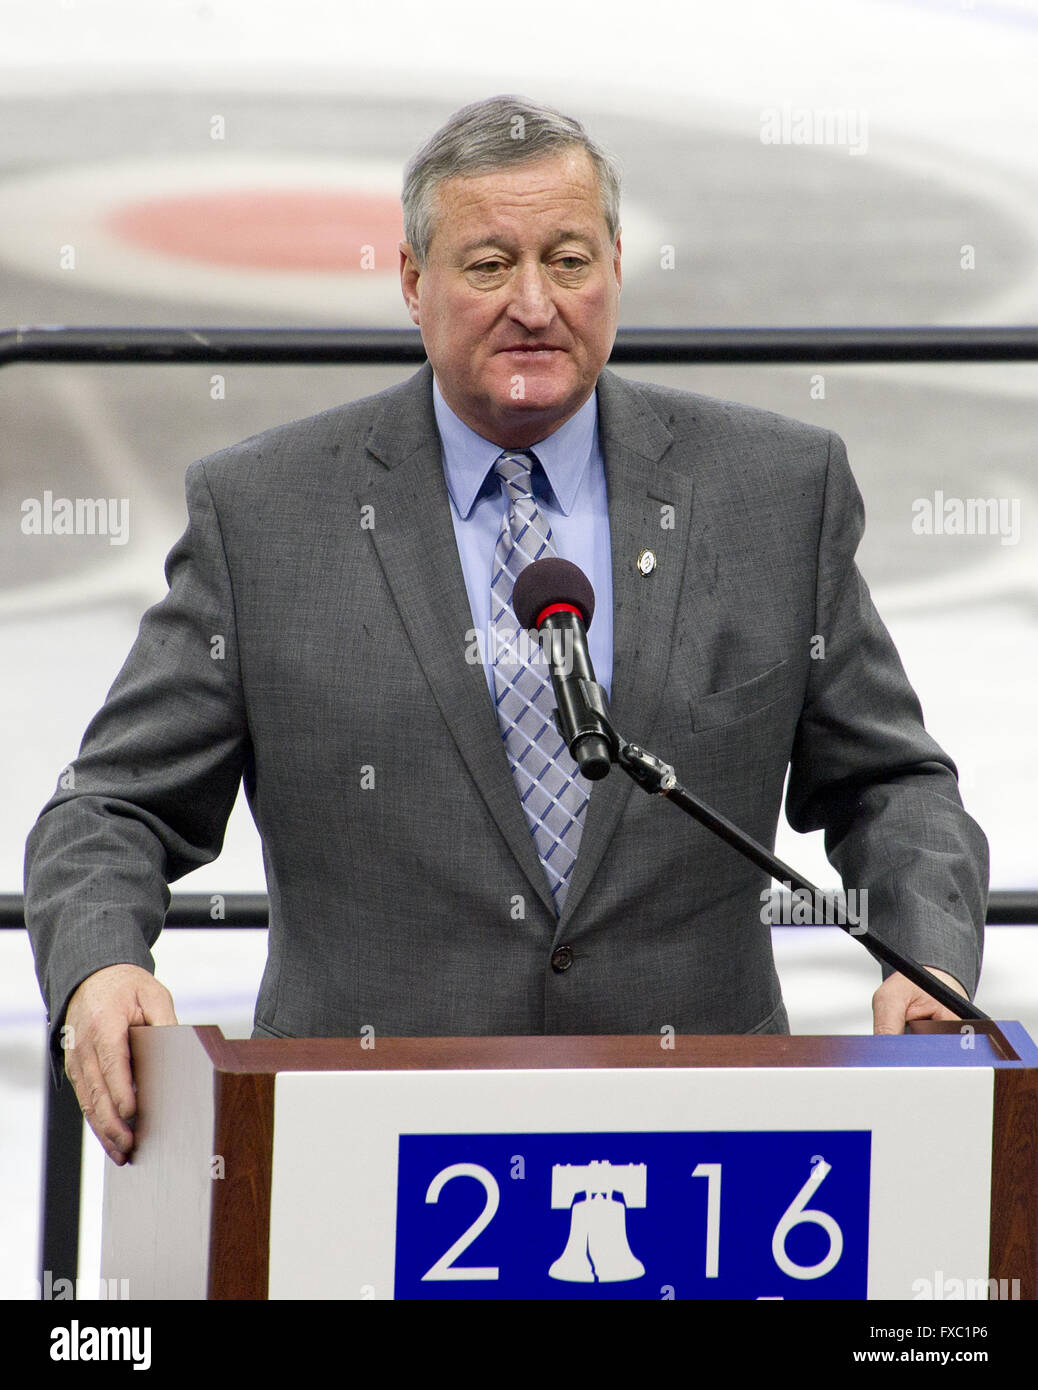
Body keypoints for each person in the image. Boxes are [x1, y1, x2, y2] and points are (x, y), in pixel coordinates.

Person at [24, 95, 988, 1167]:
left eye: (569, 259)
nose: (534, 302)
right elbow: (106, 807)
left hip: (698, 1150)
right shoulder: (267, 516)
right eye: (488, 266)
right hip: (360, 1156)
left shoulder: (772, 494)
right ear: (411, 281)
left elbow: (892, 784)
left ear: (616, 264)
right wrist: (101, 966)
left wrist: (926, 951)